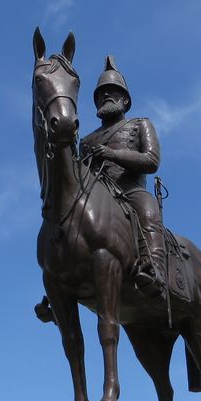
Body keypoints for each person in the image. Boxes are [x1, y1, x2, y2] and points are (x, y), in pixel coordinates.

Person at [80, 55, 165, 295]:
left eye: (112, 91)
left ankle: (154, 270)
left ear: (125, 99)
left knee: (148, 210)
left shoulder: (140, 125)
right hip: (97, 203)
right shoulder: (86, 141)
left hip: (130, 193)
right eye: (101, 93)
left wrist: (112, 154)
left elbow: (151, 161)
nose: (105, 95)